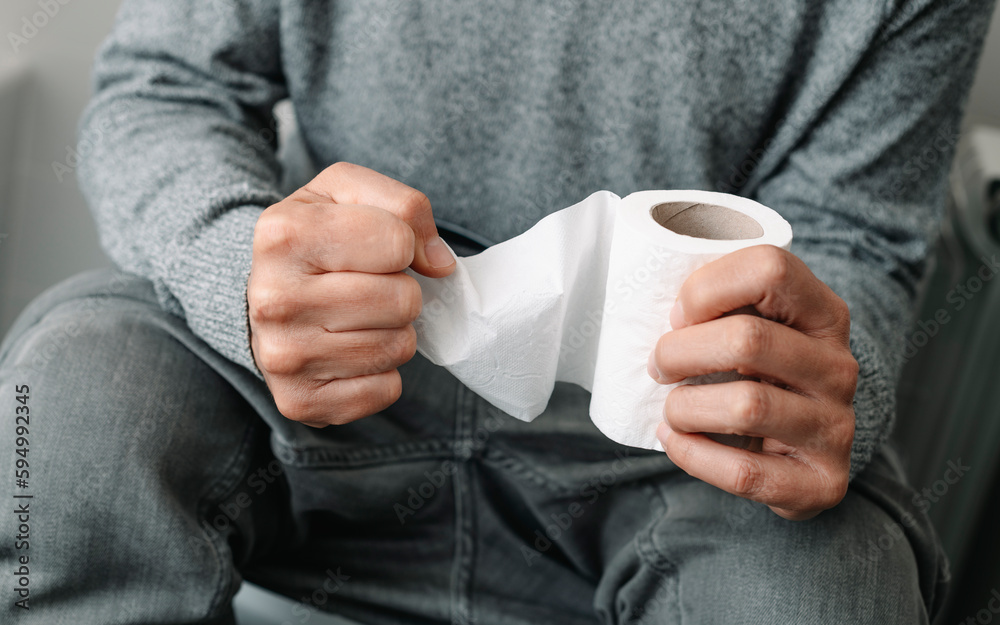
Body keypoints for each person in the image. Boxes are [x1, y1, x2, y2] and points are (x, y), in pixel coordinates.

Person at [1, 0, 993, 622]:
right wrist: (238, 268)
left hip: (661, 443)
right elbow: (165, 90)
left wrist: (824, 392)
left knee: (825, 586)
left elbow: (857, 242)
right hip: (319, 382)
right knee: (76, 393)